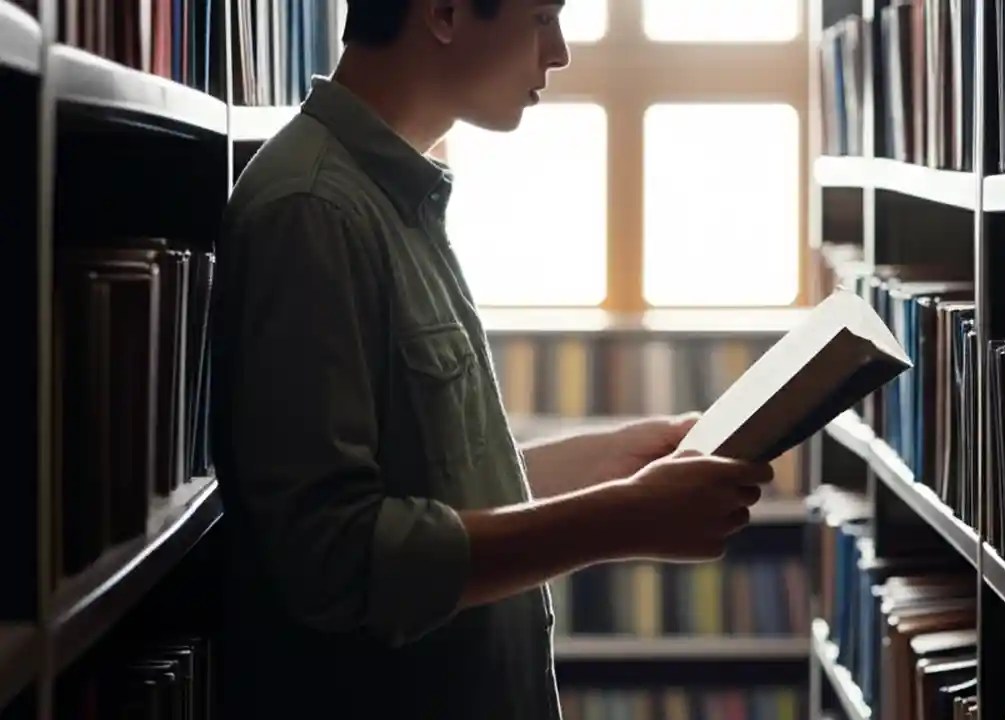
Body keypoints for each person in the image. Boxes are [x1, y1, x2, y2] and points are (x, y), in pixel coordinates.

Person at [208, 0, 773, 717]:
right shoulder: (313, 210)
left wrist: (610, 463)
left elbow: (429, 489)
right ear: (443, 13)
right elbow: (335, 557)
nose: (561, 51)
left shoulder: (388, 198)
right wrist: (619, 521)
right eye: (542, 16)